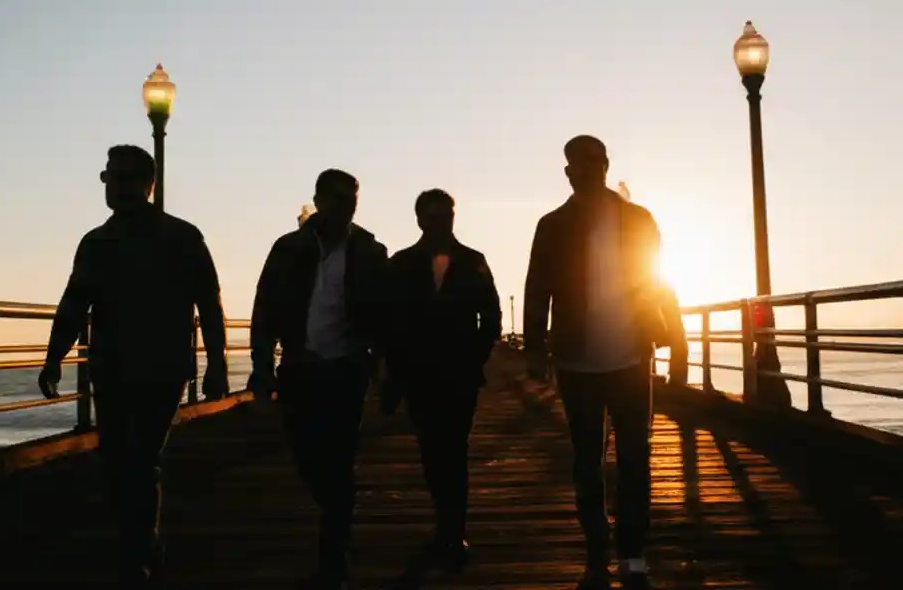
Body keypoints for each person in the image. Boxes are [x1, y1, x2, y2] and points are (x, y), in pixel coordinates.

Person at [38, 144, 229, 585]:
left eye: (127, 179)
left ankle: (138, 552)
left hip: (162, 367)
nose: (117, 187)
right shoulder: (96, 242)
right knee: (116, 459)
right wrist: (54, 358)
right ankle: (140, 541)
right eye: (111, 178)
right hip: (110, 365)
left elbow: (209, 301)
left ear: (148, 184)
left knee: (141, 457)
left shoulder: (181, 237)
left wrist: (217, 360)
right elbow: (74, 302)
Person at [523, 135, 687, 590]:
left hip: (632, 358)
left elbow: (659, 280)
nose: (588, 168)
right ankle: (597, 553)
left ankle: (633, 555)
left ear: (606, 164)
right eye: (579, 163)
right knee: (586, 461)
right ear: (568, 172)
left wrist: (677, 340)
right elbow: (537, 286)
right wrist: (535, 347)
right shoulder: (552, 225)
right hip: (576, 362)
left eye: (595, 161)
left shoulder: (638, 219)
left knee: (636, 458)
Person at [248, 169, 390, 590]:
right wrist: (260, 368)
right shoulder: (288, 249)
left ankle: (335, 557)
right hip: (299, 368)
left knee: (340, 462)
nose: (345, 206)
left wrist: (380, 366)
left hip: (346, 370)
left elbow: (385, 314)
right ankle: (335, 514)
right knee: (307, 458)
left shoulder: (369, 250)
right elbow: (264, 311)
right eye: (337, 198)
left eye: (352, 199)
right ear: (319, 199)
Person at [384, 189, 501, 579]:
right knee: (432, 451)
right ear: (419, 220)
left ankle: (453, 532)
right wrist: (393, 372)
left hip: (460, 372)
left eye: (446, 216)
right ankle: (445, 523)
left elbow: (492, 314)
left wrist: (477, 355)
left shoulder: (473, 261)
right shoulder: (401, 264)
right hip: (418, 374)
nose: (440, 224)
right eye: (432, 218)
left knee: (454, 448)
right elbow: (391, 321)